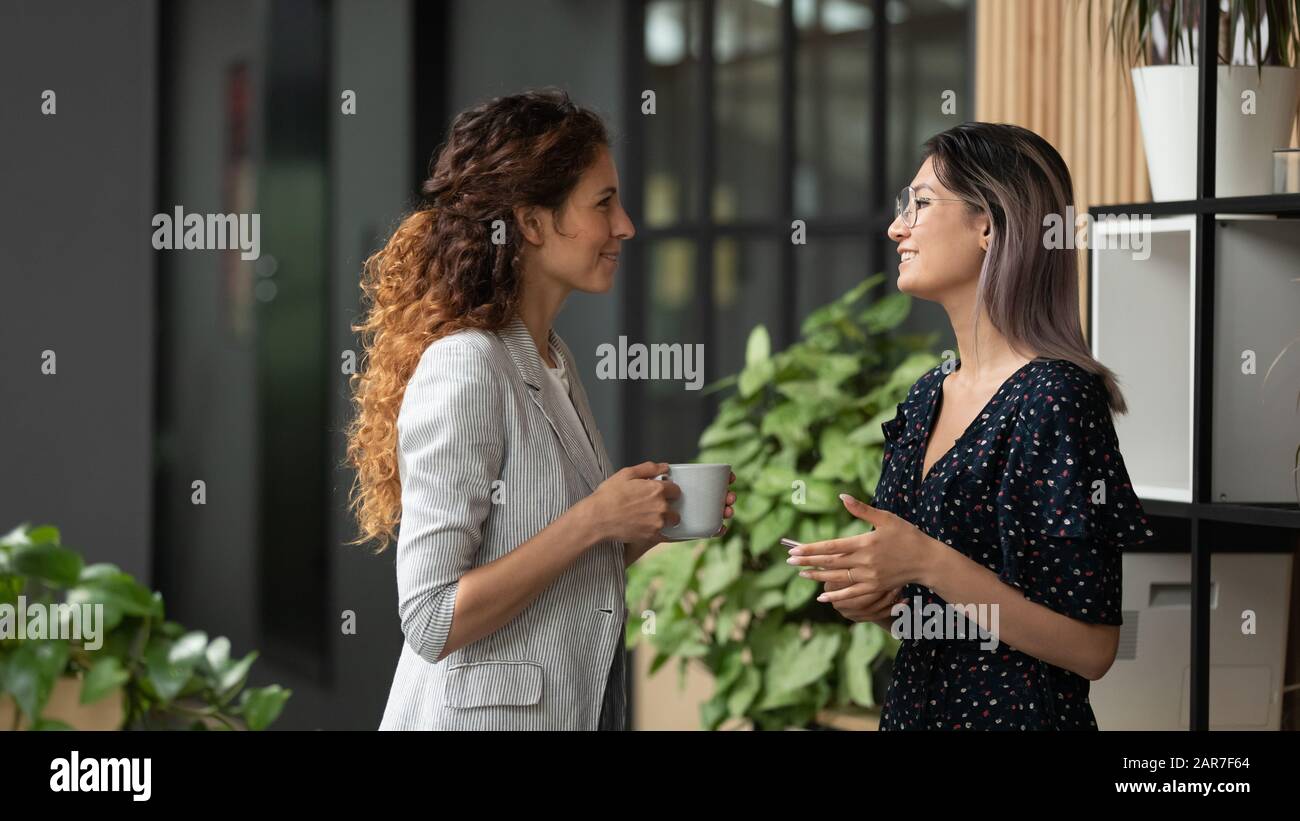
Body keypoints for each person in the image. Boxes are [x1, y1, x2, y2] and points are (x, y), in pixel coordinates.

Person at [344, 88, 735, 730]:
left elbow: (549, 561)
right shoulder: (468, 365)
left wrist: (644, 522)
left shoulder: (548, 358)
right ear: (530, 222)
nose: (625, 226)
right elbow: (432, 618)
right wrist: (593, 519)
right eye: (604, 203)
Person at [787, 122, 1155, 730]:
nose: (897, 227)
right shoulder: (928, 395)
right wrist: (882, 600)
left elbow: (1093, 651)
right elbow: (937, 615)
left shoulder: (1056, 398)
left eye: (921, 204)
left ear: (989, 224)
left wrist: (927, 562)